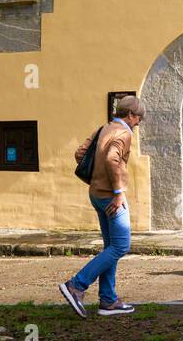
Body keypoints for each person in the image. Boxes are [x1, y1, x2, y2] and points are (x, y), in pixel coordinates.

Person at [58, 96, 145, 317]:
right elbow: (112, 159)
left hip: (95, 193)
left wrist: (98, 177)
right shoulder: (124, 133)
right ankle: (76, 285)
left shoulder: (104, 128)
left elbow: (79, 154)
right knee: (121, 246)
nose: (138, 123)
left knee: (111, 248)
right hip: (110, 197)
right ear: (131, 115)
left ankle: (108, 300)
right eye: (138, 118)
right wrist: (118, 192)